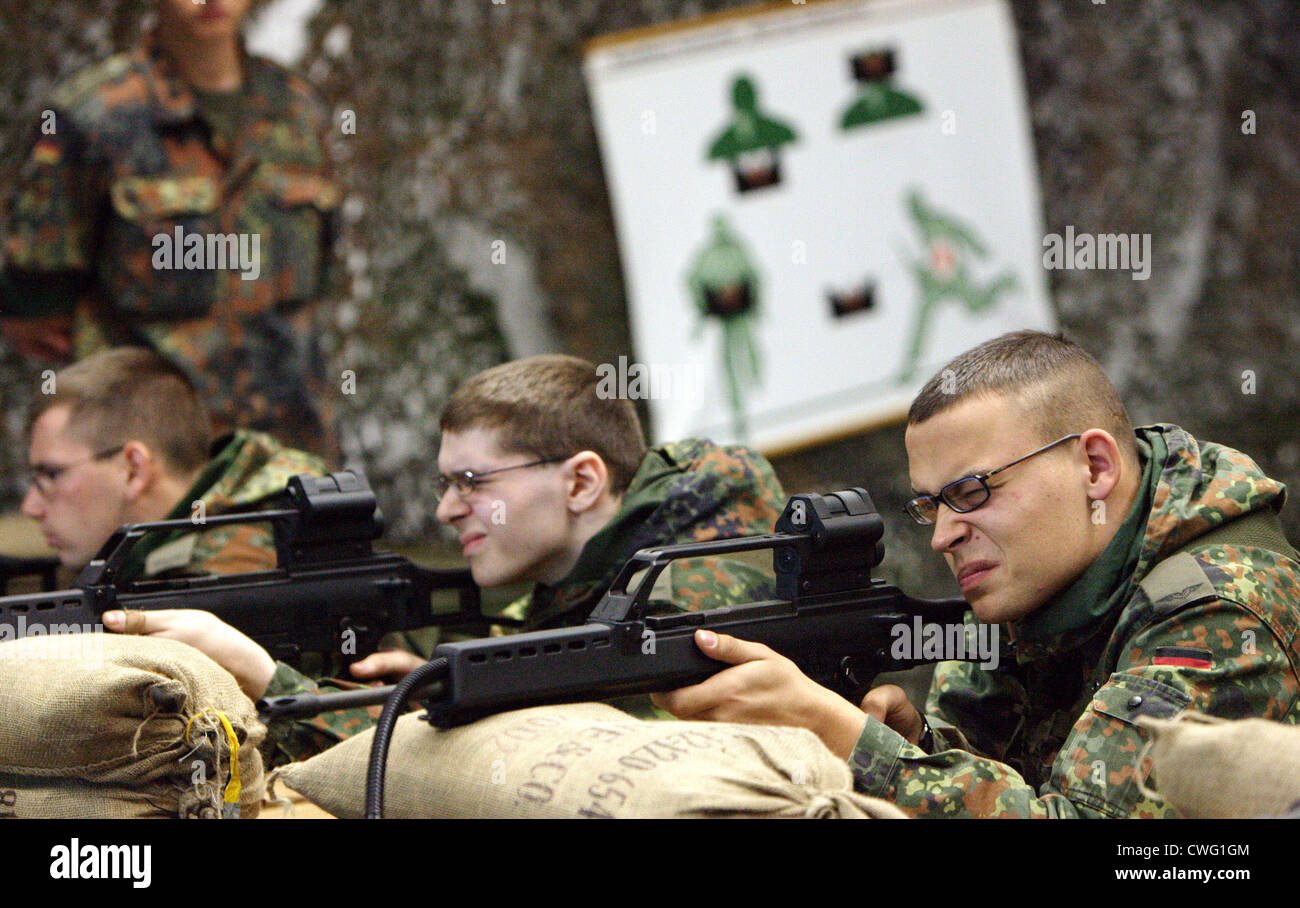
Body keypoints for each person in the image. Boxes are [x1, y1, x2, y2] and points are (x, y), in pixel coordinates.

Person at [653, 330, 1300, 818]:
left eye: (972, 490)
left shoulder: (1221, 611)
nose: (941, 536)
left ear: (1096, 468)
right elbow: (1004, 776)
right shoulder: (1033, 587)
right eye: (930, 504)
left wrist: (851, 742)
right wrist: (914, 745)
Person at [106, 355, 789, 765]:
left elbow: (516, 766)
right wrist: (442, 685)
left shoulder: (691, 598)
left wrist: (262, 673)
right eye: (446, 484)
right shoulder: (579, 587)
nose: (446, 511)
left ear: (581, 482)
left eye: (474, 482)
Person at [0, 0, 340, 456]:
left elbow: (321, 273)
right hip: (152, 462)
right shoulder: (90, 117)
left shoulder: (298, 110)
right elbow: (34, 300)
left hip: (290, 456)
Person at [22, 347, 327, 582]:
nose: (31, 507)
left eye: (51, 475)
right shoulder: (143, 557)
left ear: (133, 470)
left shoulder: (229, 568)